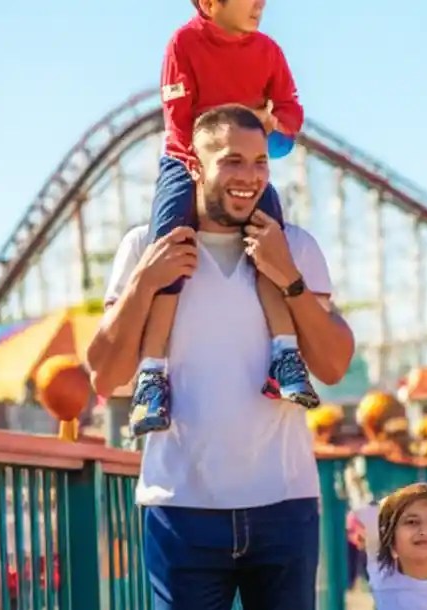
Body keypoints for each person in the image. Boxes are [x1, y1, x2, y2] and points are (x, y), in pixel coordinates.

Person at [86, 104, 355, 610]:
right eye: (230, 159)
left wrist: (287, 277)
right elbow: (104, 373)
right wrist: (142, 285)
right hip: (181, 508)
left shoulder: (297, 247)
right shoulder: (143, 247)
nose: (248, 175)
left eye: (259, 161)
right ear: (194, 162)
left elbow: (334, 363)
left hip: (284, 503)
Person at [131, 0, 316, 438]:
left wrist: (270, 124)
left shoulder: (268, 51)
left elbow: (291, 110)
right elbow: (177, 124)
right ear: (210, 4)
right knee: (170, 247)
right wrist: (206, 161)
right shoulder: (185, 43)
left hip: (243, 166)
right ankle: (152, 375)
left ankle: (285, 356)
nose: (260, 4)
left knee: (271, 246)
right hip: (187, 162)